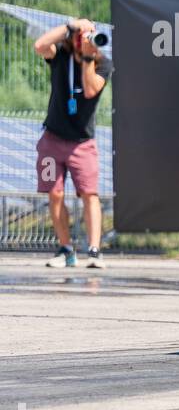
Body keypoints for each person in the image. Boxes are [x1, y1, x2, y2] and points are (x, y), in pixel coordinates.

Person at [33, 18, 112, 269]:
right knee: (54, 194)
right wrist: (70, 27)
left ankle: (94, 251)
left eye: (90, 34)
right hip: (51, 140)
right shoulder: (60, 56)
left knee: (90, 194)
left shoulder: (103, 64)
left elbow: (90, 91)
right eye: (81, 35)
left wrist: (88, 58)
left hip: (82, 144)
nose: (84, 38)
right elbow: (39, 45)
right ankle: (66, 250)